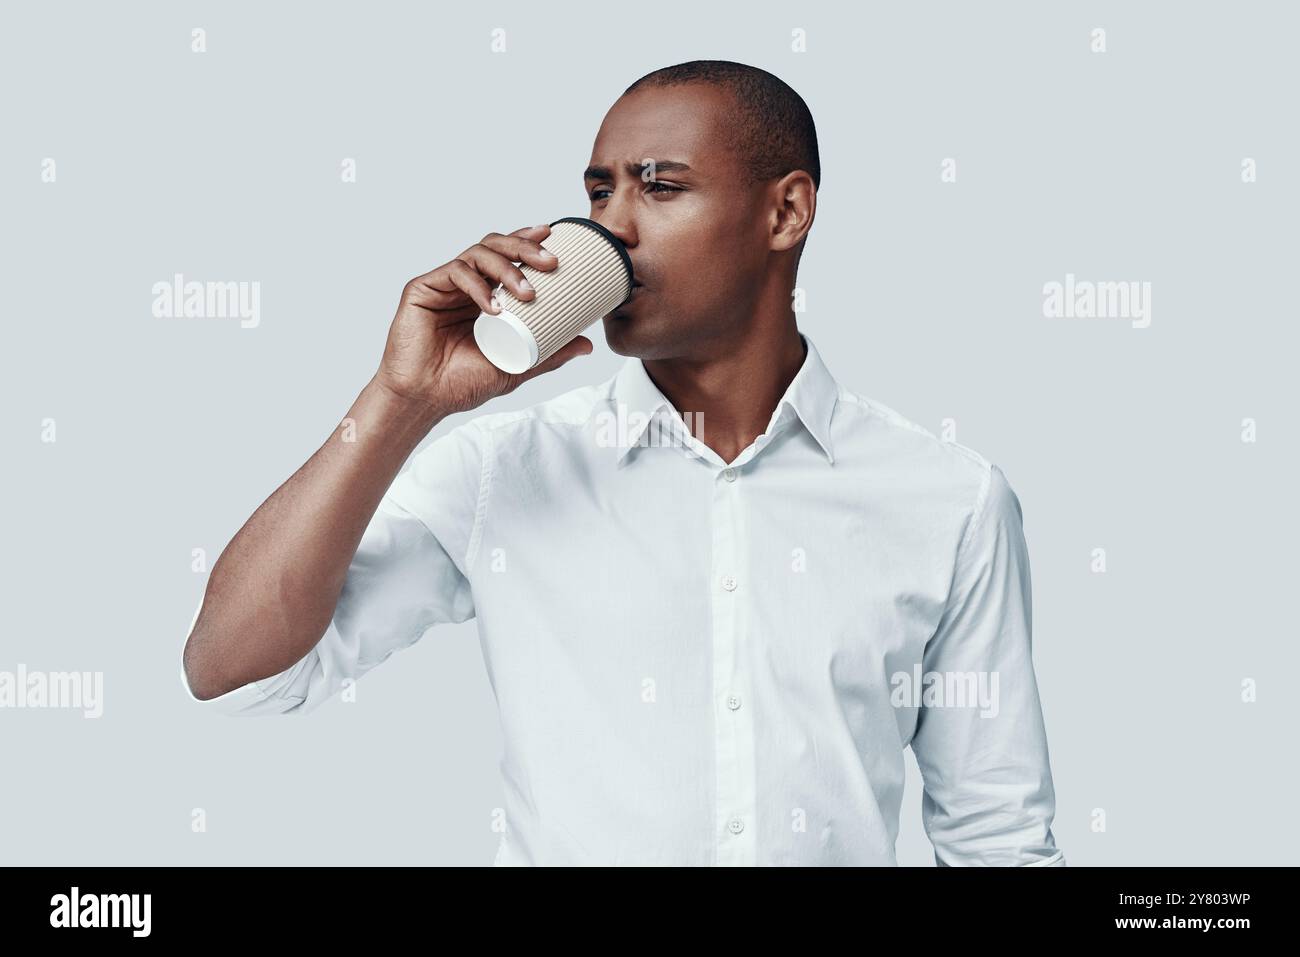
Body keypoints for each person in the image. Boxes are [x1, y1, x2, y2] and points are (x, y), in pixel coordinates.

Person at [181, 59, 1065, 867]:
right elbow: (235, 670)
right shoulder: (507, 467)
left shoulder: (948, 500)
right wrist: (401, 400)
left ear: (785, 212)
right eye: (598, 193)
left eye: (661, 188)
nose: (609, 229)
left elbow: (998, 837)